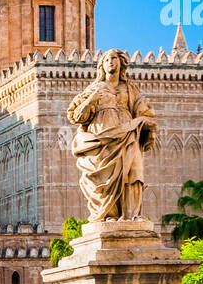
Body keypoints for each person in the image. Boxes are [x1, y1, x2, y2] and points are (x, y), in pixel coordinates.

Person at [66, 48, 157, 221]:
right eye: (107, 59)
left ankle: (132, 215)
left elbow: (141, 110)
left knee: (134, 172)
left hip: (128, 134)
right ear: (102, 65)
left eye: (114, 58)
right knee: (105, 179)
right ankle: (109, 214)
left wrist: (146, 122)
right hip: (102, 139)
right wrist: (91, 100)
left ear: (122, 63)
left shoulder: (130, 89)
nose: (111, 62)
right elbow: (76, 116)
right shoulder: (94, 89)